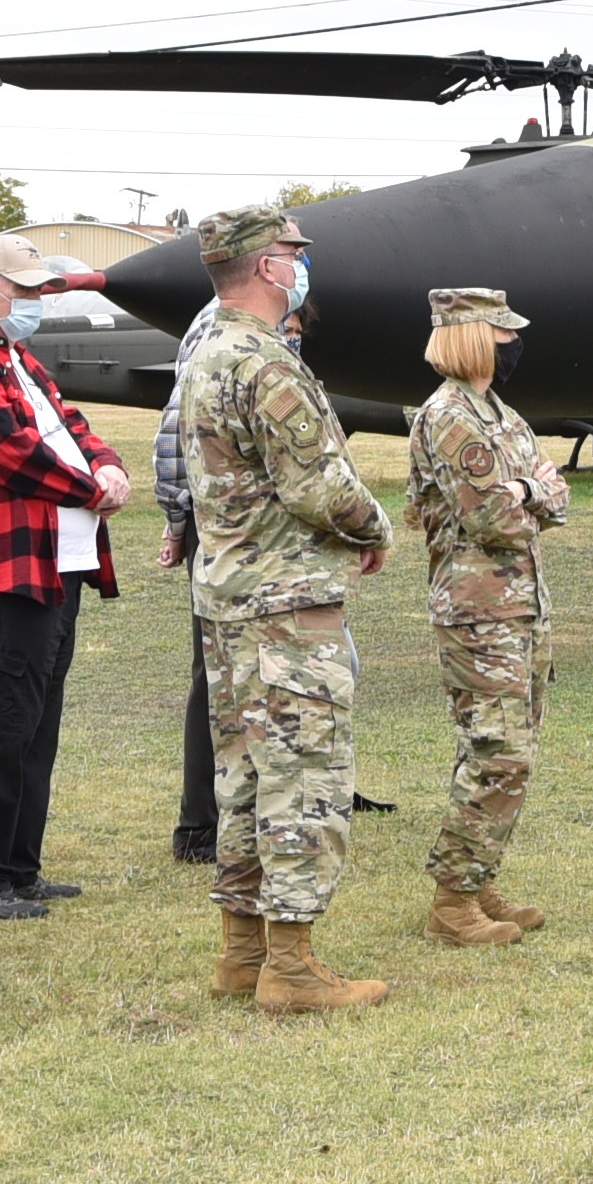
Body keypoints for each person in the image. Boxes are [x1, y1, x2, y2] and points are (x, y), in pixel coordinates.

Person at [180, 204, 392, 1012]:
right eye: (293, 253)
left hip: (232, 600)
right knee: (303, 779)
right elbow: (318, 485)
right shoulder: (262, 360)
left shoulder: (206, 351)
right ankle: (293, 968)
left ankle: (242, 954)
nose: (303, 265)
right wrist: (373, 527)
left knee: (241, 774)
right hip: (285, 604)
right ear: (268, 267)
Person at [0, 233, 129, 921]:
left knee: (38, 720)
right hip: (9, 562)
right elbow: (3, 451)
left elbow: (73, 423)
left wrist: (109, 465)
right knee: (1, 720)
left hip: (58, 561)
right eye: (23, 292)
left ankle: (19, 866)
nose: (34, 304)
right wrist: (89, 486)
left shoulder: (15, 356)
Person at [406, 288, 567, 947]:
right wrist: (533, 491)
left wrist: (531, 493)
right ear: (475, 338)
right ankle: (453, 903)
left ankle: (476, 877)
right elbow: (498, 518)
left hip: (519, 604)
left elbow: (557, 498)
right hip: (478, 612)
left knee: (512, 750)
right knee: (496, 750)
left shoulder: (499, 413)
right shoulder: (450, 418)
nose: (512, 345)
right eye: (503, 335)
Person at [152, 300, 221, 865]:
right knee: (217, 671)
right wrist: (180, 521)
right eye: (289, 254)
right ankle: (200, 826)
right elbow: (174, 435)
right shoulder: (218, 325)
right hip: (223, 527)